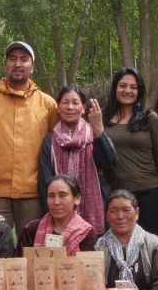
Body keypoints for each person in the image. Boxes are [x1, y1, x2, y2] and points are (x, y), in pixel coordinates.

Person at [0, 41, 58, 232]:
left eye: (24, 59)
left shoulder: (48, 104)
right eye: (12, 59)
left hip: (34, 194)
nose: (18, 64)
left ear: (32, 67)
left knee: (32, 248)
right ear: (5, 65)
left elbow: (56, 149)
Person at [38, 85, 116, 231]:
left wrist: (99, 130)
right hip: (59, 212)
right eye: (65, 102)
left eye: (75, 102)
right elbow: (45, 180)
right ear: (58, 108)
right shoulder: (50, 141)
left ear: (83, 108)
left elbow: (109, 162)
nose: (70, 107)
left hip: (94, 209)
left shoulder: (94, 136)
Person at [103, 67, 158, 234]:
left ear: (139, 91)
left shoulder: (150, 118)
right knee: (119, 244)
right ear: (115, 88)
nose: (127, 90)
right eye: (123, 86)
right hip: (117, 194)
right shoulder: (103, 120)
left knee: (147, 245)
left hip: (150, 192)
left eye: (133, 87)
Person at [19, 175, 98, 254]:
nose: (56, 202)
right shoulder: (32, 229)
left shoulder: (86, 233)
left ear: (77, 199)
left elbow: (90, 264)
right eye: (51, 196)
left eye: (62, 195)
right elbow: (17, 262)